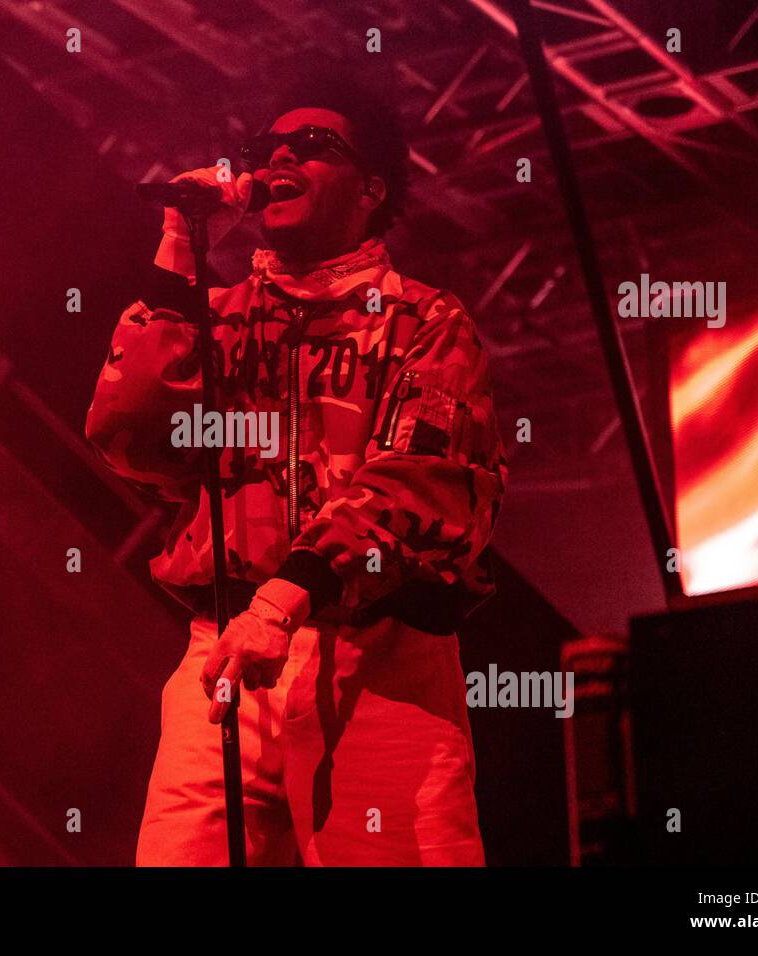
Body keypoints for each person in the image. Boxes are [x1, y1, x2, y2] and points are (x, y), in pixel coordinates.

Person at [85, 77, 508, 866]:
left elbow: (422, 479)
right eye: (265, 150)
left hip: (376, 661)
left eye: (313, 147)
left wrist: (286, 600)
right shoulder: (219, 314)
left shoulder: (426, 321)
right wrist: (180, 241)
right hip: (223, 652)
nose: (279, 155)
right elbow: (128, 431)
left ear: (373, 187)